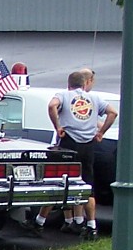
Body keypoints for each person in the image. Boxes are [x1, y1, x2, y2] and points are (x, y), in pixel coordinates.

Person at [38, 68, 117, 240]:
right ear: (84, 83)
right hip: (88, 145)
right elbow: (113, 112)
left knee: (61, 181)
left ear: (69, 84)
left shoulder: (64, 95)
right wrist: (101, 131)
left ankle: (41, 221)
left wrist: (57, 126)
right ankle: (91, 226)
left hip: (69, 142)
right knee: (87, 185)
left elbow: (52, 105)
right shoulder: (95, 98)